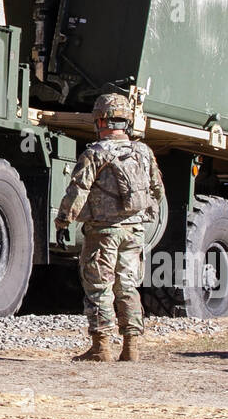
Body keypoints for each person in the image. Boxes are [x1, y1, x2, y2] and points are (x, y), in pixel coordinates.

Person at [55, 93, 164, 362]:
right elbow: (157, 190)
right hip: (134, 231)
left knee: (99, 287)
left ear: (101, 120)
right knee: (128, 286)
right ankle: (131, 348)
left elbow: (77, 190)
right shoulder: (144, 152)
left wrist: (63, 221)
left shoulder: (95, 153)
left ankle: (101, 347)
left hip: (102, 233)